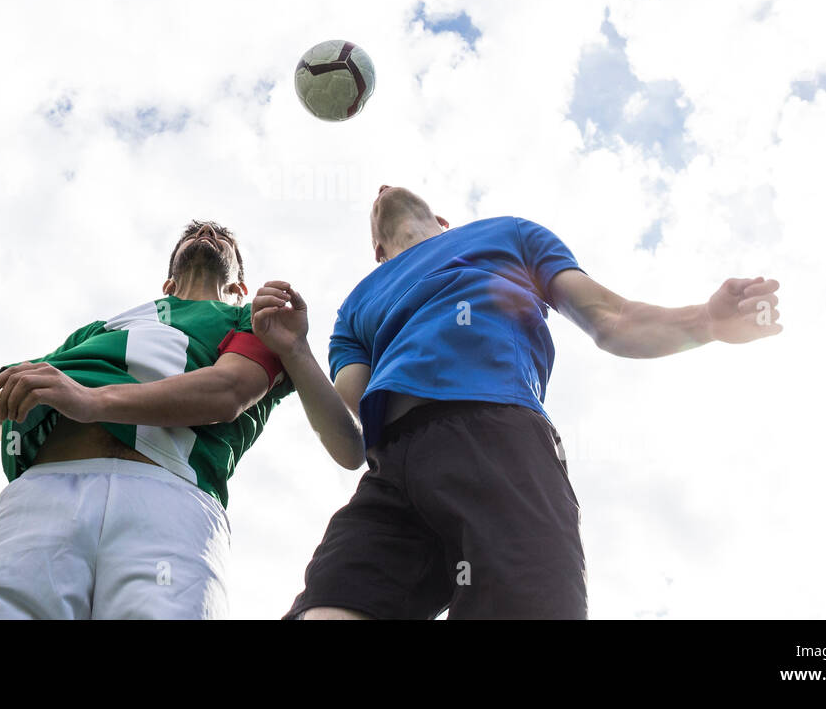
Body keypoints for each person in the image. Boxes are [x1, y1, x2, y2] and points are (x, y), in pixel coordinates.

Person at [251, 185, 782, 620]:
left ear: (445, 221)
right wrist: (296, 351)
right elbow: (348, 440)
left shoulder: (510, 234)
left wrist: (707, 322)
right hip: (391, 470)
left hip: (499, 439)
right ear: (377, 252)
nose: (383, 188)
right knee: (330, 610)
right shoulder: (356, 307)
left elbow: (611, 319)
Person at [0, 219, 363, 619]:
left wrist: (90, 401)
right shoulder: (97, 331)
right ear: (167, 283)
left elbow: (228, 391)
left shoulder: (260, 319)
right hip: (41, 498)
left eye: (224, 239)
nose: (208, 234)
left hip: (170, 502)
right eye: (192, 235)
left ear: (240, 285)